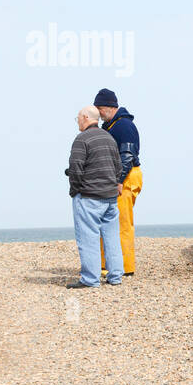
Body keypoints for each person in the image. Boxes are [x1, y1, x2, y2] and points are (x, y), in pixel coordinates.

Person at [67, 106, 125, 288]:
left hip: (89, 196)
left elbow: (76, 168)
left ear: (85, 117)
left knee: (88, 237)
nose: (78, 122)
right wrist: (113, 184)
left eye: (78, 118)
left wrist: (75, 190)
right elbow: (118, 167)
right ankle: (116, 277)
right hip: (110, 197)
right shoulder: (109, 138)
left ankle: (90, 279)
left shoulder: (81, 139)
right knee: (112, 237)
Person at [93, 88, 142, 277]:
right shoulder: (111, 126)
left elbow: (127, 155)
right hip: (117, 177)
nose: (98, 113)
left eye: (99, 108)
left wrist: (120, 180)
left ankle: (126, 266)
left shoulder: (124, 126)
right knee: (109, 221)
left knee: (122, 222)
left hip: (127, 177)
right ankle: (108, 264)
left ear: (109, 107)